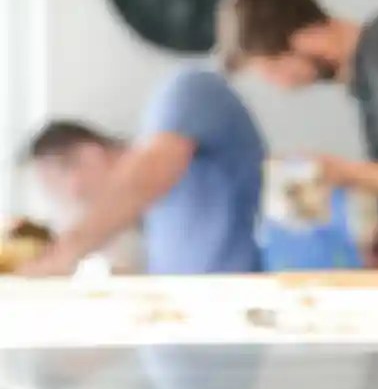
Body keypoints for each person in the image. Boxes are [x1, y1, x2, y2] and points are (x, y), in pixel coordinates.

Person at [216, 0, 378, 269]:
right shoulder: (369, 80)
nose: (282, 86)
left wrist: (340, 172)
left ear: (306, 40)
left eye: (274, 69)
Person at [22, 67, 265, 275]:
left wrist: (63, 253)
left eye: (56, 186)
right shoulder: (151, 214)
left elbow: (149, 173)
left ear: (89, 154)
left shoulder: (185, 90)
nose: (68, 200)